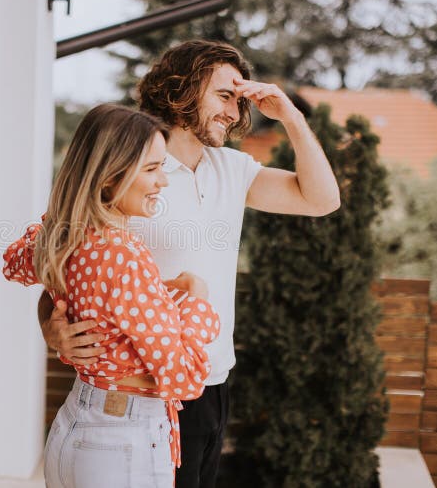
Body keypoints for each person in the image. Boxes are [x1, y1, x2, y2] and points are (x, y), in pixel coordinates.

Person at [40, 40, 341, 488]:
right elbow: (64, 265)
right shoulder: (132, 172)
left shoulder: (233, 170)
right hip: (147, 395)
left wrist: (292, 117)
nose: (235, 113)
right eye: (224, 96)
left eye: (240, 102)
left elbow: (322, 200)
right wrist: (50, 324)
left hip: (214, 382)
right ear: (181, 87)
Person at [3, 103, 221, 487]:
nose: (163, 181)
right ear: (108, 177)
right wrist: (198, 302)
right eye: (152, 169)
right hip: (122, 442)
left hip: (76, 429)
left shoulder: (64, 236)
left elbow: (15, 263)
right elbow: (184, 378)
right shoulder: (124, 255)